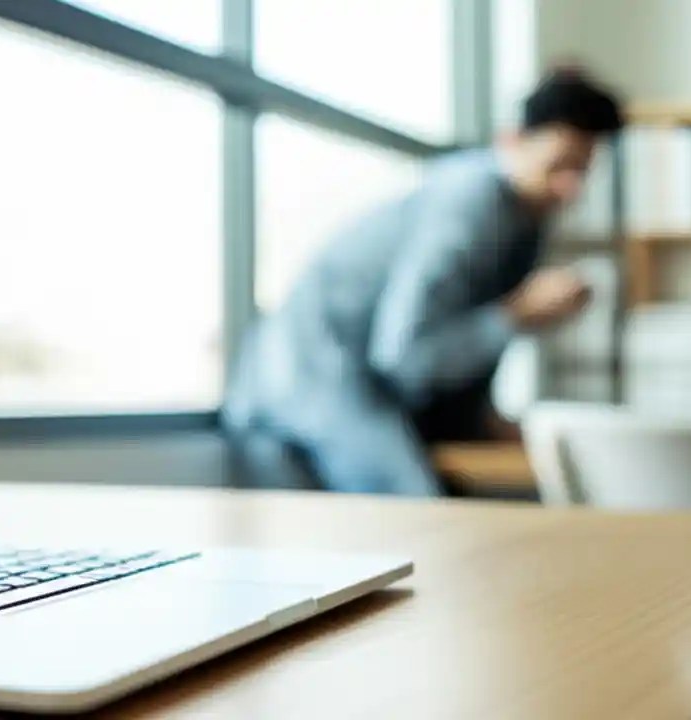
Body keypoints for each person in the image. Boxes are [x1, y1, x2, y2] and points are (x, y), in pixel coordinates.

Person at [222, 69, 624, 495]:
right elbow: (405, 357)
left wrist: (481, 419)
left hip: (360, 383)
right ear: (512, 141)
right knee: (416, 507)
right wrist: (515, 314)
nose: (570, 188)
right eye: (559, 166)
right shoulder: (470, 203)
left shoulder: (528, 217)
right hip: (309, 376)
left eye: (583, 171)